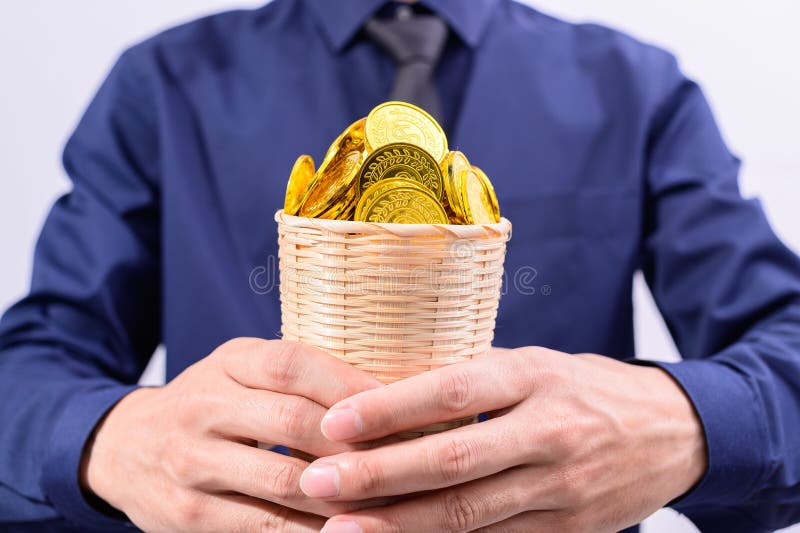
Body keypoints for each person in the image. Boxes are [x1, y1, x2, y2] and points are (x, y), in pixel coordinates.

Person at [1, 0, 799, 531]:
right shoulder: (163, 84)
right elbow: (28, 368)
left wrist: (685, 422)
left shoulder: (638, 88)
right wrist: (110, 439)